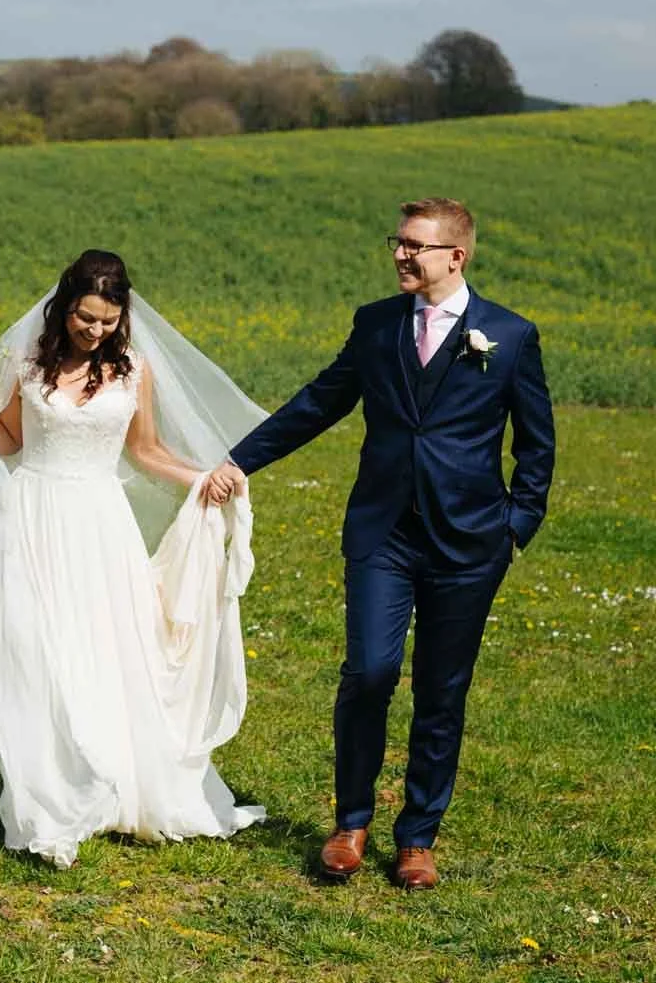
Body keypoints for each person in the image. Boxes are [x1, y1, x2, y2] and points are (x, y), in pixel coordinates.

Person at [205, 198, 555, 888]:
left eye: (415, 245)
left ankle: (418, 836)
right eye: (397, 242)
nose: (400, 254)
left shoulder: (509, 337)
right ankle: (351, 822)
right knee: (368, 671)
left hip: (470, 543)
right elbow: (318, 402)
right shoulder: (375, 325)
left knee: (440, 690)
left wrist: (515, 528)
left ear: (456, 257)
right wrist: (239, 460)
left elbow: (536, 445)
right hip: (382, 535)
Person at [0, 249, 268, 868]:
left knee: (106, 653)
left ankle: (113, 785)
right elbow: (10, 439)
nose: (95, 330)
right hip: (31, 516)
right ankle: (48, 799)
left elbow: (146, 451)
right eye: (85, 317)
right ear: (64, 308)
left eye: (107, 321)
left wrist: (203, 480)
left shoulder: (132, 371)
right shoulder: (30, 367)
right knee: (31, 653)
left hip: (98, 526)